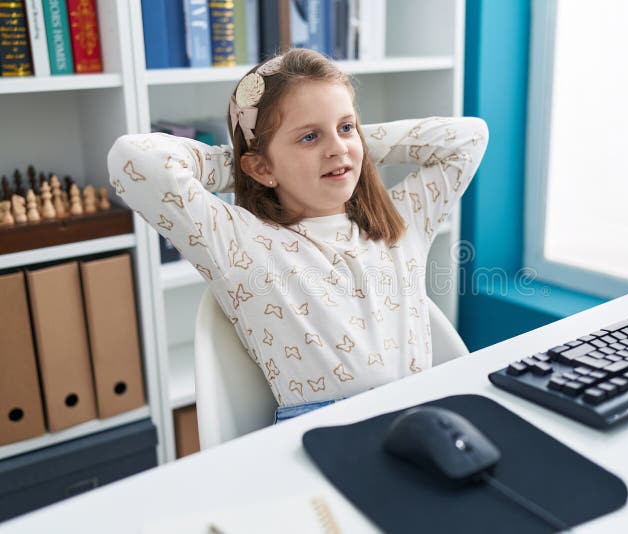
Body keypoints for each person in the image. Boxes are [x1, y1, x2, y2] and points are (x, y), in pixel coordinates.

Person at [107, 48, 488, 422]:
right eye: (309, 137)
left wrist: (351, 144)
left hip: (422, 411)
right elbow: (132, 158)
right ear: (260, 168)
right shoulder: (241, 243)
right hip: (327, 428)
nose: (336, 148)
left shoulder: (400, 221)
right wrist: (249, 164)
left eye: (346, 127)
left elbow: (469, 137)